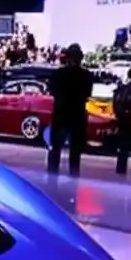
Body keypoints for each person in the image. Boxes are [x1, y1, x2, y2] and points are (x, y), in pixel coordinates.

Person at [47, 43, 93, 176]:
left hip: (61, 113)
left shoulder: (58, 74)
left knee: (55, 148)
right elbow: (87, 94)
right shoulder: (86, 75)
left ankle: (52, 176)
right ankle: (73, 176)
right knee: (75, 152)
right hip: (77, 115)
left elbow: (52, 91)